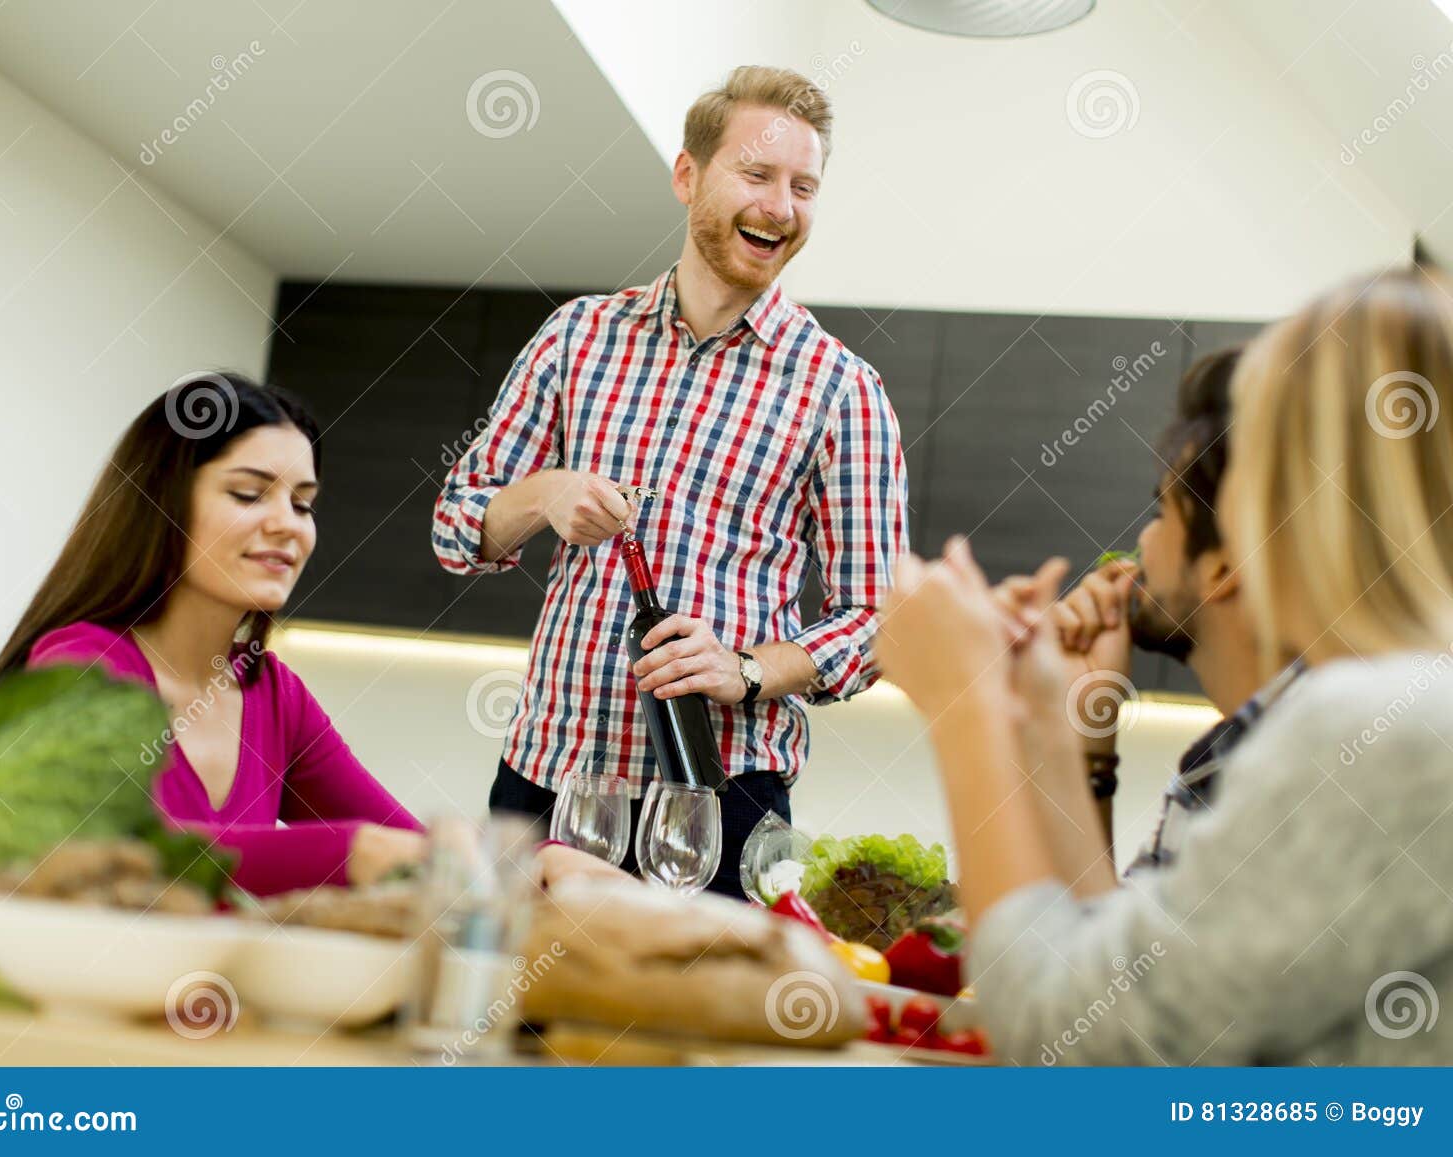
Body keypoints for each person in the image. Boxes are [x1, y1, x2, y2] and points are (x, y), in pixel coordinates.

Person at [877, 268, 1453, 1064]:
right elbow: (1123, 989)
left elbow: (1073, 1048)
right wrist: (1046, 715)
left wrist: (964, 706)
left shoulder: (1384, 729)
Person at [432, 66, 909, 899]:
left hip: (725, 805)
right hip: (546, 780)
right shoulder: (577, 336)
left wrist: (746, 668)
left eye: (803, 186)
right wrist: (545, 493)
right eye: (756, 175)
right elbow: (457, 524)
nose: (781, 207)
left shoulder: (841, 389)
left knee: (693, 1028)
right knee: (511, 1021)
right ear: (688, 176)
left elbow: (878, 620)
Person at [0, 374, 427, 895]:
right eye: (249, 493)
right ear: (162, 504)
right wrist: (347, 853)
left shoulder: (276, 697)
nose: (289, 525)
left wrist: (530, 859)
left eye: (303, 504)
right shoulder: (81, 668)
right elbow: (117, 854)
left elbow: (409, 846)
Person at [1016, 346, 1301, 880]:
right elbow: (1108, 957)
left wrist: (967, 705)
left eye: (1161, 513)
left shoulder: (1282, 779)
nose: (1143, 540)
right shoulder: (1221, 758)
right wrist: (1087, 728)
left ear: (1220, 567)